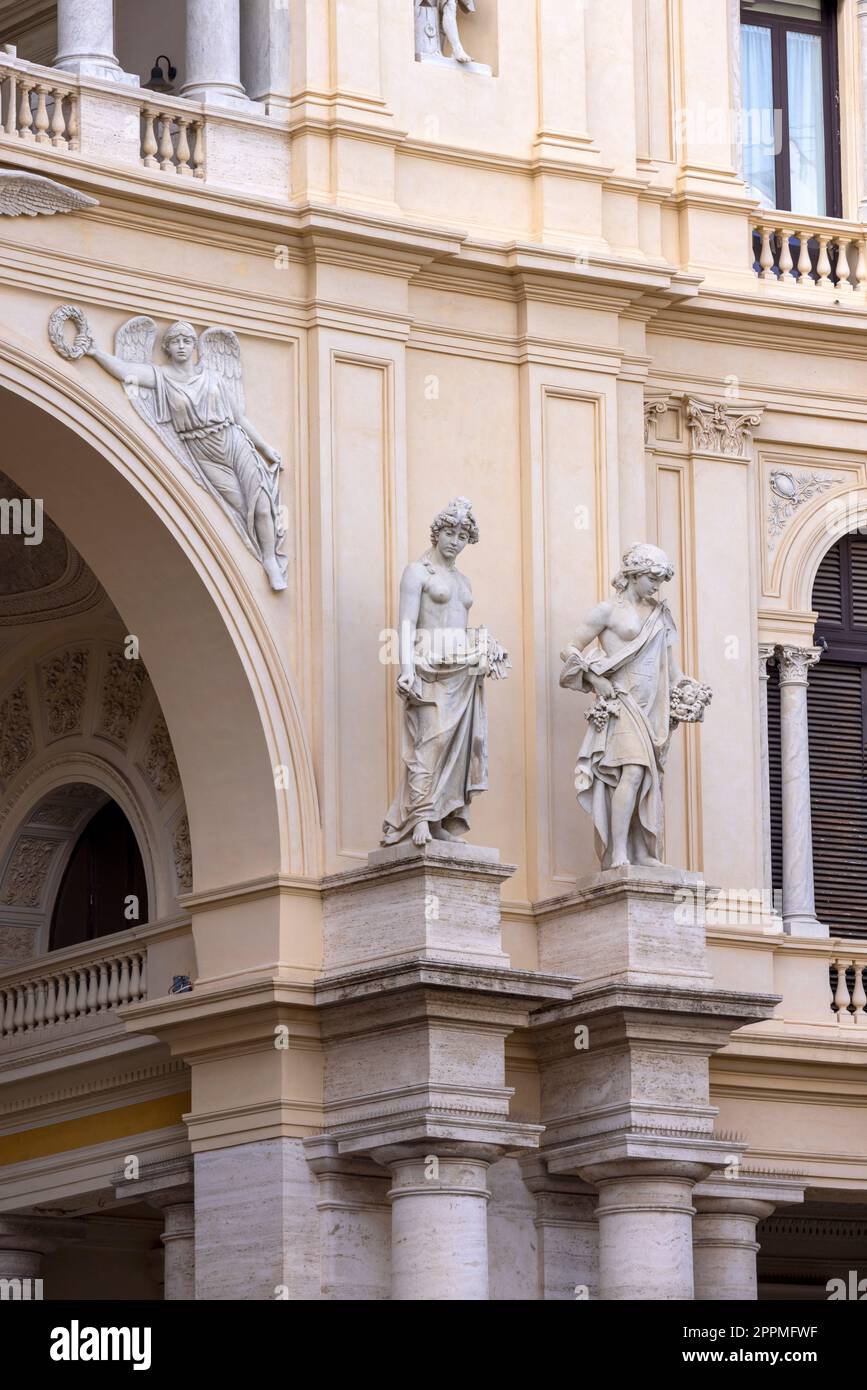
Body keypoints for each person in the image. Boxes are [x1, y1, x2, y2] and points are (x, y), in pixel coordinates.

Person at [382, 496, 508, 847]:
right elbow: (406, 623)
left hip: (463, 672)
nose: (455, 541)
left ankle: (439, 817)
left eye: (463, 536)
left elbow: (461, 625)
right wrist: (405, 669)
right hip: (428, 667)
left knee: (462, 746)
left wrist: (486, 648)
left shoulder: (464, 581)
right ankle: (417, 816)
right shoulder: (418, 572)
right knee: (432, 739)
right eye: (450, 533)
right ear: (436, 533)